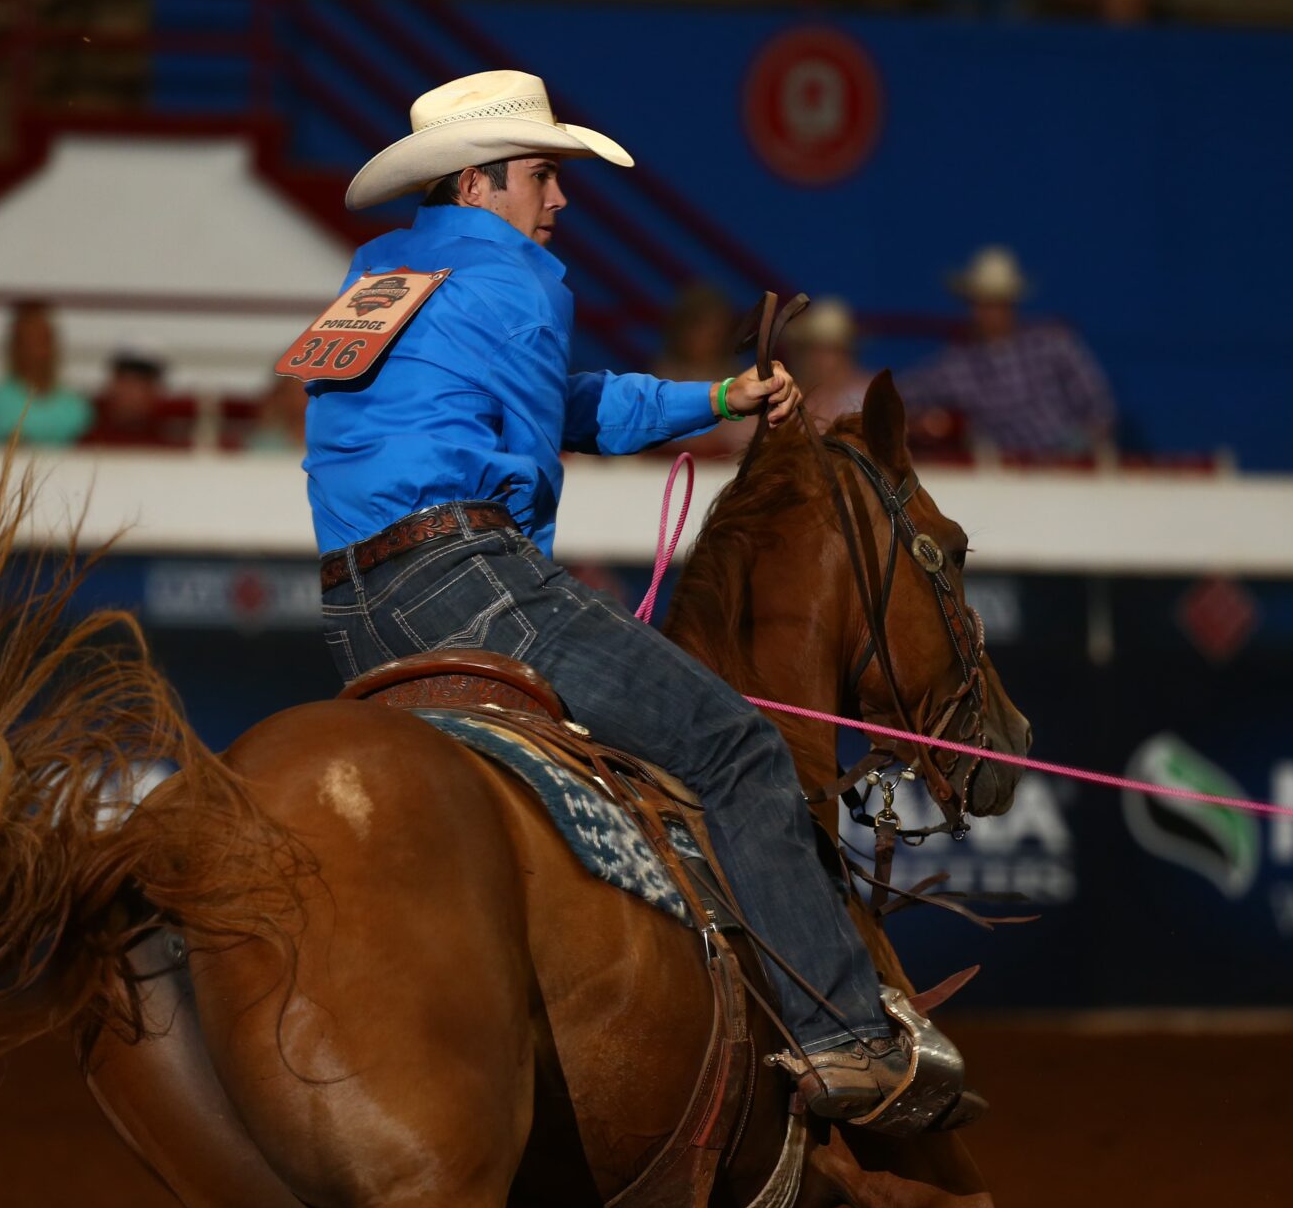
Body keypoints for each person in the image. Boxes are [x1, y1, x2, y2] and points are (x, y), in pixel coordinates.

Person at [305, 69, 961, 1128]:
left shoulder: (385, 273)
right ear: (477, 186)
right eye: (540, 177)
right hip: (474, 583)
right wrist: (529, 573)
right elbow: (533, 453)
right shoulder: (515, 278)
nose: (559, 200)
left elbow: (552, 401)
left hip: (354, 610)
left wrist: (717, 398)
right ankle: (845, 1035)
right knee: (737, 749)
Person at [898, 244, 1115, 456]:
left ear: (1011, 304)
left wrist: (1082, 450)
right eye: (980, 303)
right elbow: (902, 392)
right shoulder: (956, 367)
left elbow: (1099, 407)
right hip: (1006, 471)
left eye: (996, 303)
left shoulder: (1053, 345)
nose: (988, 312)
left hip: (1072, 461)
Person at [0, 300, 93, 448]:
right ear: (16, 347)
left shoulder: (76, 405)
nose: (38, 350)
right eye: (30, 341)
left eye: (43, 339)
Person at [790, 297, 875, 430]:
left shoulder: (868, 395)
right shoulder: (790, 400)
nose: (819, 359)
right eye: (813, 349)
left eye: (829, 350)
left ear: (846, 354)